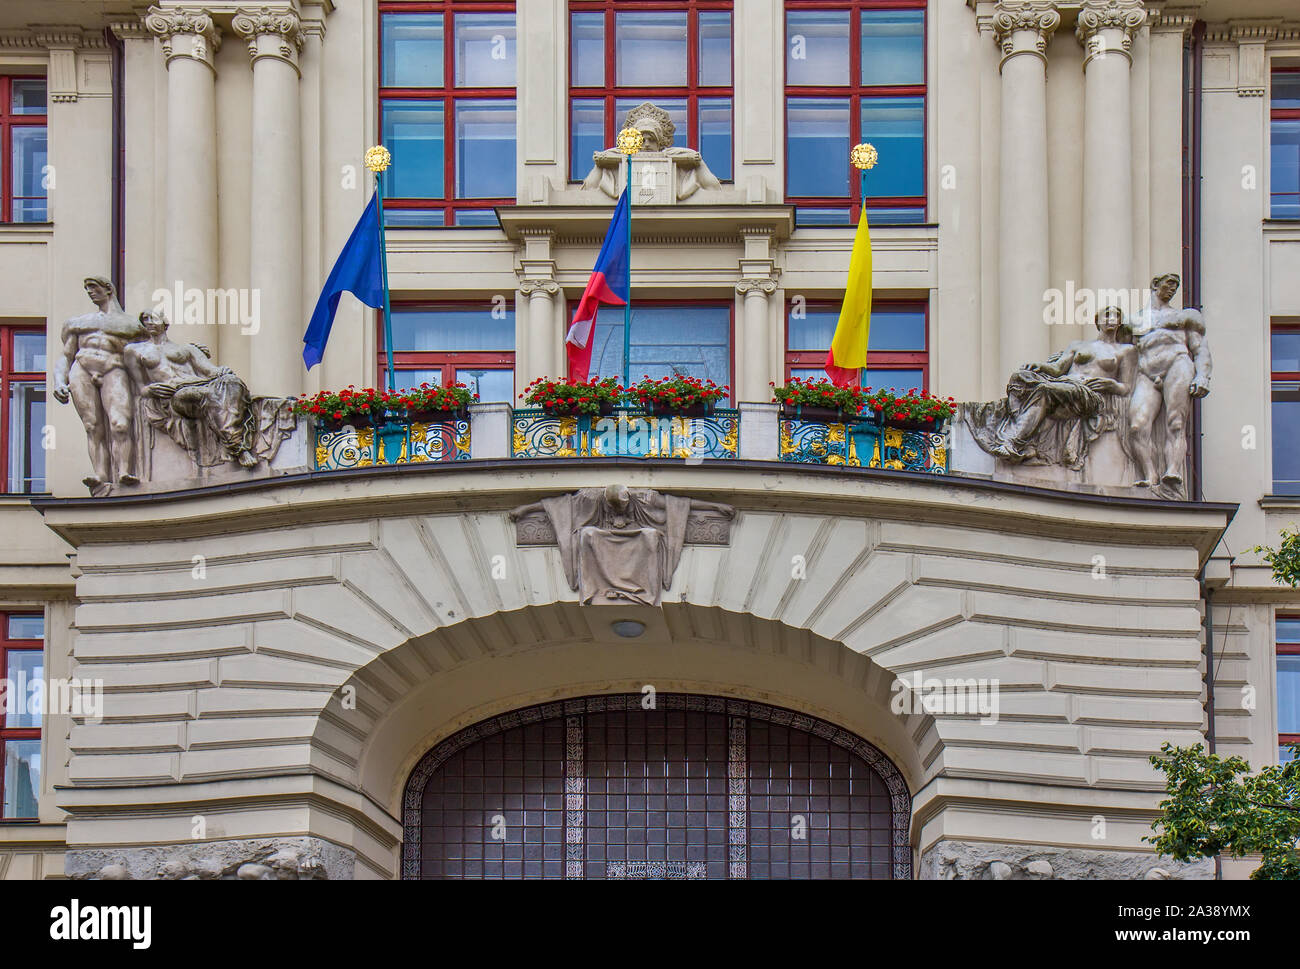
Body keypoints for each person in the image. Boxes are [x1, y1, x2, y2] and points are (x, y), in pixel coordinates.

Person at [965, 306, 1137, 471]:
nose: (1112, 319)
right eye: (1107, 315)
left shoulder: (1125, 350)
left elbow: (1126, 387)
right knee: (1018, 378)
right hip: (1063, 384)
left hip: (1087, 394)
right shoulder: (1078, 345)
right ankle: (1025, 435)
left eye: (1116, 316)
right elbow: (1057, 368)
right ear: (1097, 320)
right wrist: (1038, 366)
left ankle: (1013, 442)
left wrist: (1111, 384)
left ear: (1120, 322)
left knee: (1044, 390)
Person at [52, 276, 146, 494]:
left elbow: (147, 355)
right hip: (82, 368)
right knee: (92, 426)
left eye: (93, 288)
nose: (90, 292)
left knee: (120, 424)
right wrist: (59, 380)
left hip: (114, 367)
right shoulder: (78, 323)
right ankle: (101, 475)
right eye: (87, 289)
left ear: (108, 290)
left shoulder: (132, 325)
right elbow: (66, 356)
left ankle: (124, 471)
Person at [1126, 273, 1212, 495]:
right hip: (1147, 372)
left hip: (1177, 364)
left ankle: (1172, 471)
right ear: (1155, 285)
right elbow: (1116, 350)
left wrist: (1202, 376)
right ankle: (1150, 475)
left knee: (1175, 423)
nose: (1173, 289)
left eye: (1176, 286)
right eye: (1169, 284)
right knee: (1137, 425)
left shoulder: (1185, 317)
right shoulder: (1134, 320)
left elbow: (1200, 349)